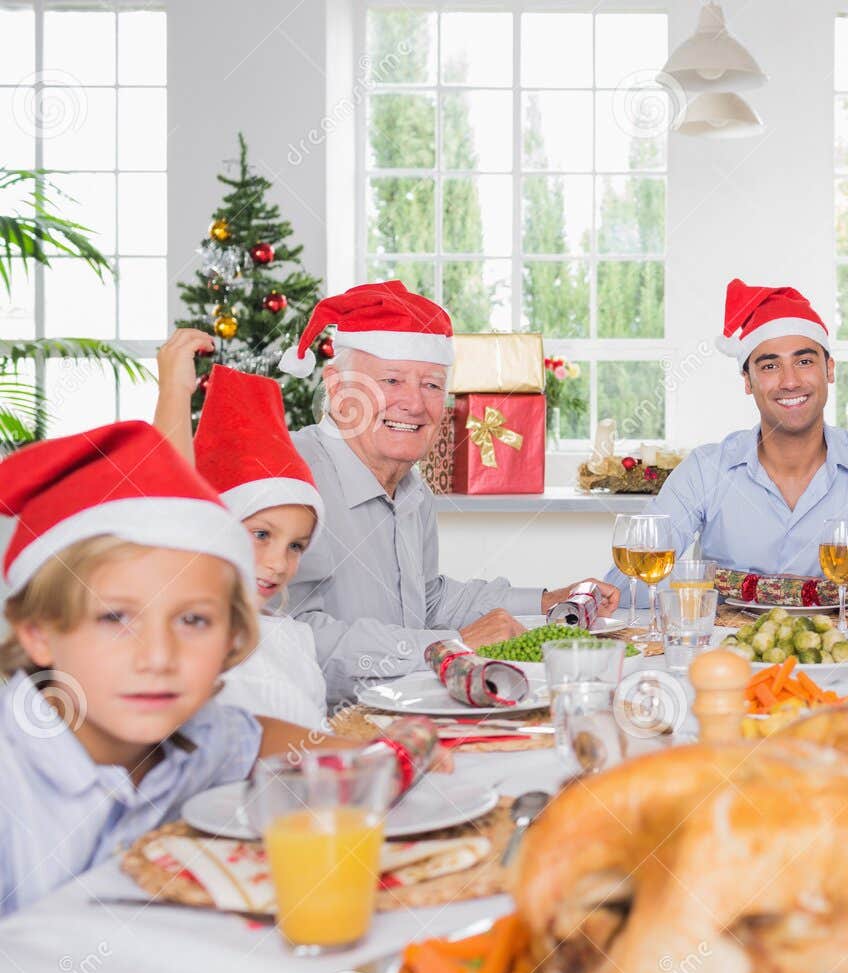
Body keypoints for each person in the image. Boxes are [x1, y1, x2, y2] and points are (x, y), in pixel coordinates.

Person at [0, 423, 368, 915]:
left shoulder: (194, 736)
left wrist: (377, 759)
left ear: (233, 637)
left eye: (193, 620)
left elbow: (255, 737)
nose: (158, 657)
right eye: (115, 617)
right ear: (38, 633)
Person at [274, 282, 618, 703]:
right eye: (392, 380)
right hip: (319, 734)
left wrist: (547, 600)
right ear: (337, 387)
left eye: (432, 386)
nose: (415, 405)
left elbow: (426, 597)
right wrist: (451, 645)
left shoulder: (412, 487)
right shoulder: (290, 476)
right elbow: (291, 636)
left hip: (405, 710)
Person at [603, 279, 848, 597]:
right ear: (748, 381)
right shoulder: (706, 469)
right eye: (769, 366)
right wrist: (736, 586)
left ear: (830, 370)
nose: (790, 381)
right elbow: (624, 582)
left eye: (805, 361)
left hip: (840, 654)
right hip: (727, 655)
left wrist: (839, 593)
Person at [153, 329, 328, 728]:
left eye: (296, 546)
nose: (278, 563)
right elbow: (172, 503)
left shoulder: (293, 640)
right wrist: (175, 393)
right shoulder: (184, 627)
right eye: (262, 534)